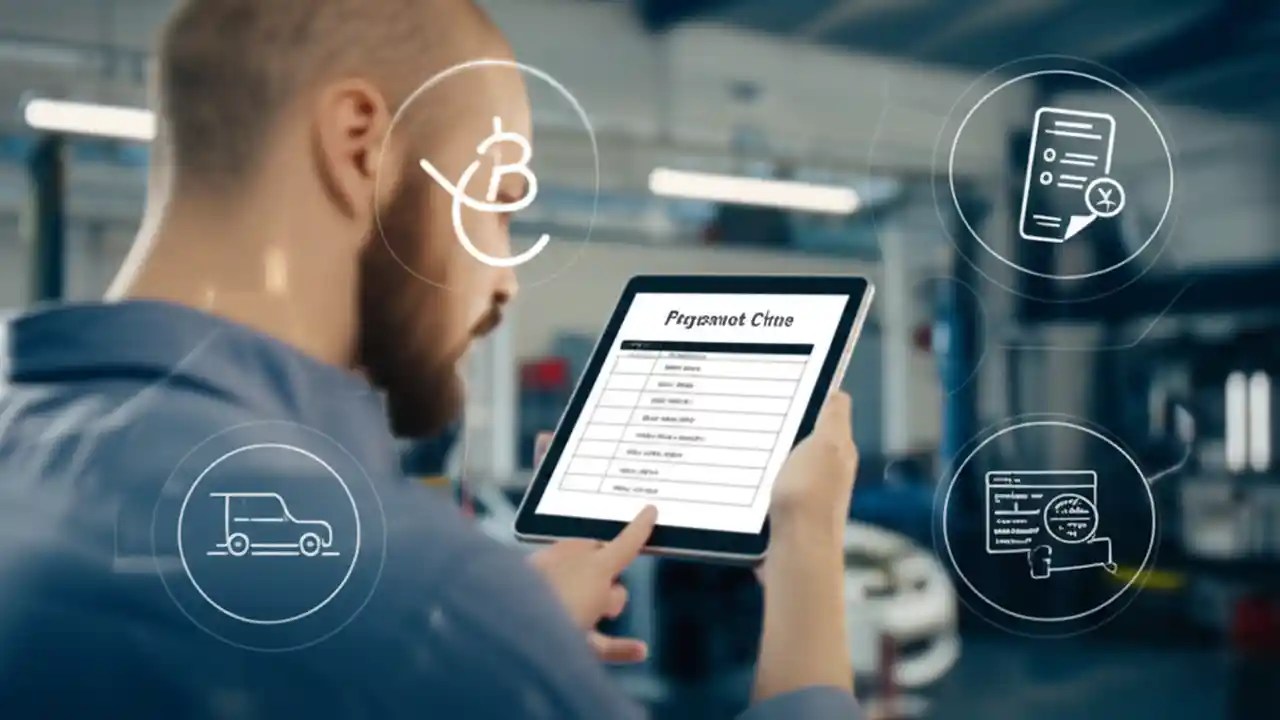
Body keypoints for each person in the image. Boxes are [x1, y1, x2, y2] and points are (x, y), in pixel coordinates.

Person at [0, 1, 862, 717]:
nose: (505, 281)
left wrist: (502, 628)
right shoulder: (414, 599)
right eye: (497, 204)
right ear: (361, 144)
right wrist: (808, 548)